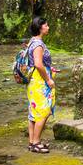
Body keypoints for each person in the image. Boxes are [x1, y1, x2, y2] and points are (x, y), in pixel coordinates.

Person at [25, 16, 56, 153]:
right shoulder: (38, 44)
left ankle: (32, 142)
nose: (48, 27)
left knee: (34, 111)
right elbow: (38, 64)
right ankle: (37, 142)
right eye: (46, 25)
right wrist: (48, 79)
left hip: (33, 81)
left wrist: (50, 69)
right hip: (39, 81)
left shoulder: (33, 41)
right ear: (40, 28)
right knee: (44, 111)